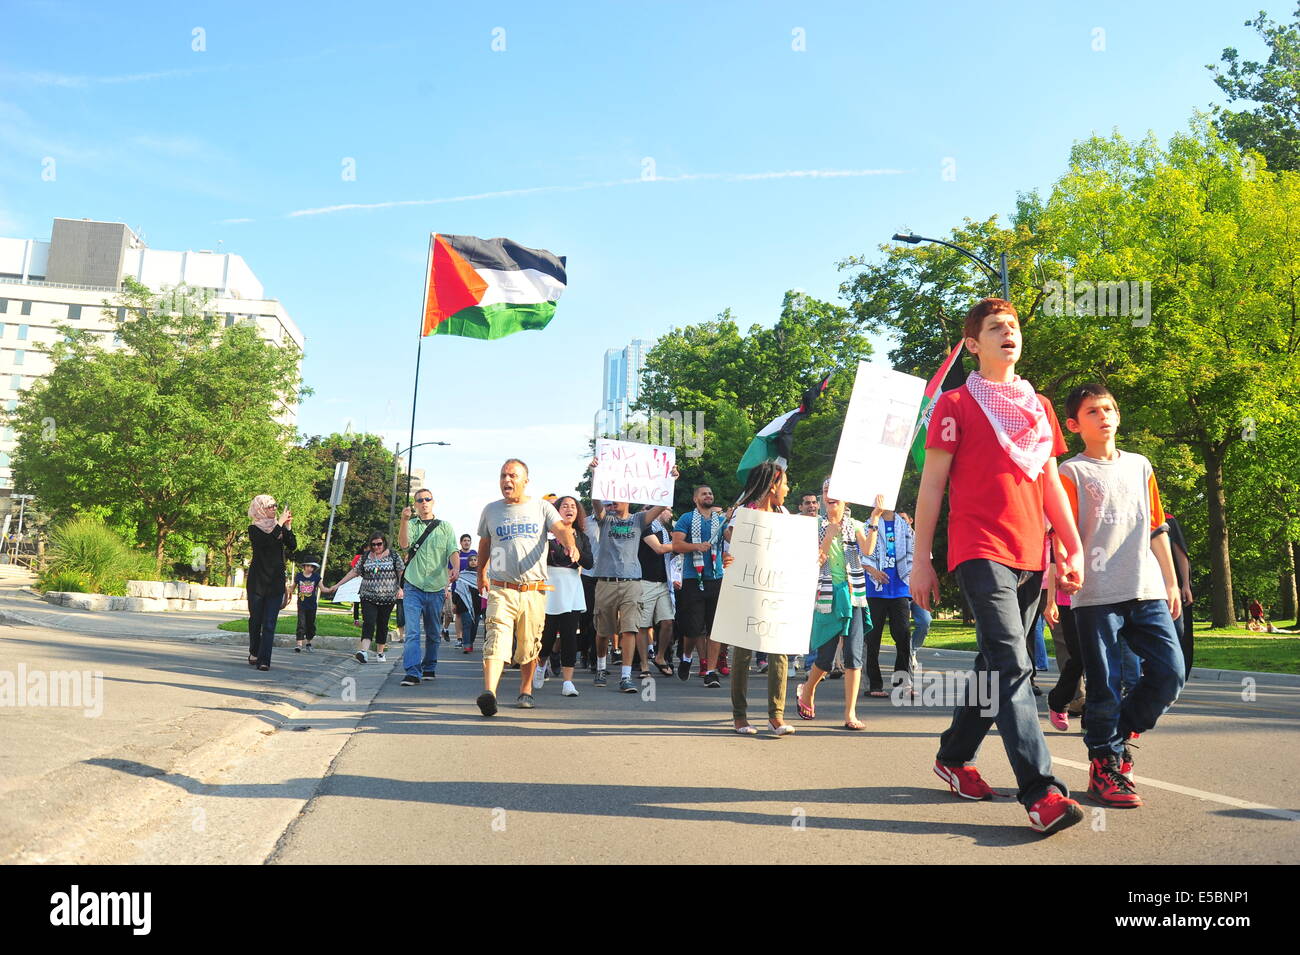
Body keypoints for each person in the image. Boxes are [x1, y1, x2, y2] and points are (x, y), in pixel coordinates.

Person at [910, 297, 1087, 835]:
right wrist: (922, 559)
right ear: (973, 344)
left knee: (995, 666)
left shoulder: (1041, 409)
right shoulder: (956, 405)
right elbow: (932, 487)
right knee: (1015, 666)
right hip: (979, 549)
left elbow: (1051, 482)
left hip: (1033, 553)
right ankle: (1041, 792)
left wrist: (1071, 547)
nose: (1007, 333)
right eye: (995, 327)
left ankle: (955, 755)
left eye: (1012, 327)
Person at [1060, 383, 1186, 808]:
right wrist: (1056, 582)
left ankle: (1114, 738)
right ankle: (1104, 764)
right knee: (1106, 685)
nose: (1104, 416)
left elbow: (1156, 527)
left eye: (1109, 408)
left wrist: (1170, 582)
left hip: (1145, 588)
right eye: (1093, 411)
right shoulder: (1069, 472)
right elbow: (1062, 533)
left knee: (1171, 674)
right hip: (1095, 595)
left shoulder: (1140, 465)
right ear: (1075, 425)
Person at [475, 458, 578, 715]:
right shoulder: (491, 510)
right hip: (502, 588)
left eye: (512, 476)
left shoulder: (542, 507)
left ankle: (526, 689)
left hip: (533, 589)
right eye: (503, 476)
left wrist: (570, 544)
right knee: (496, 637)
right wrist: (481, 573)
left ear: (525, 480)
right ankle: (490, 693)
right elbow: (485, 545)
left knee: (528, 644)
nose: (507, 481)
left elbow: (561, 529)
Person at [721, 460, 798, 736]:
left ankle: (776, 716)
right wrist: (727, 557)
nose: (788, 489)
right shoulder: (743, 514)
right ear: (773, 484)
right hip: (747, 591)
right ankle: (740, 716)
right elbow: (727, 546)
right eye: (785, 483)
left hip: (775, 591)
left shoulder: (785, 515)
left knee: (779, 651)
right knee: (742, 653)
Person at [586, 458, 675, 692]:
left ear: (628, 498)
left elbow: (660, 504)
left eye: (617, 497)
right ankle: (601, 666)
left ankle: (625, 676)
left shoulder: (638, 520)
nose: (613, 501)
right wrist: (596, 474)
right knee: (603, 632)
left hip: (631, 583)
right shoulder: (605, 519)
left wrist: (671, 479)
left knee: (630, 629)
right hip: (605, 581)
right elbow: (595, 502)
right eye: (611, 497)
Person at [796, 484, 880, 730]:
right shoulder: (814, 526)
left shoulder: (854, 525)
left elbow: (868, 549)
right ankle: (808, 689)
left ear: (844, 499)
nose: (829, 495)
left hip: (853, 594)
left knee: (853, 656)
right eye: (825, 491)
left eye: (835, 492)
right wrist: (829, 535)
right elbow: (813, 559)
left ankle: (850, 713)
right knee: (824, 659)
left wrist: (874, 518)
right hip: (826, 594)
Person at [397, 489, 458, 686]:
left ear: (433, 502)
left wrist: (455, 567)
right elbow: (404, 544)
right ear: (415, 505)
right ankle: (413, 672)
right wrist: (404, 521)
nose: (424, 503)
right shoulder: (412, 524)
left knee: (433, 631)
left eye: (427, 499)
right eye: (419, 500)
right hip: (413, 586)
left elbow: (452, 550)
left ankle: (429, 666)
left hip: (436, 587)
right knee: (413, 631)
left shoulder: (445, 527)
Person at [538, 495, 594, 697]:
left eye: (573, 506)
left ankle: (568, 682)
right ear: (556, 510)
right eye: (564, 506)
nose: (569, 509)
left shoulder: (582, 537)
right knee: (547, 634)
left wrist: (577, 552)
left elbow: (589, 563)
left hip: (571, 587)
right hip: (550, 586)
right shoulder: (547, 534)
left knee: (570, 636)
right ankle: (540, 666)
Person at [672, 485, 727, 686]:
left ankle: (711, 672)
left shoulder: (720, 521)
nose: (709, 496)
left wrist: (732, 520)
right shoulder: (686, 519)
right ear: (696, 498)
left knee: (715, 628)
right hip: (692, 579)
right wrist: (697, 546)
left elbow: (733, 539)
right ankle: (686, 657)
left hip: (715, 578)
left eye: (711, 493)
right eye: (704, 493)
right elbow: (677, 546)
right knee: (693, 630)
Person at [323, 532, 405, 666]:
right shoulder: (366, 557)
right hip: (368, 596)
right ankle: (363, 652)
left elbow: (401, 572)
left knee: (382, 624)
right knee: (369, 621)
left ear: (384, 542)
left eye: (379, 544)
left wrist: (400, 588)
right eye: (373, 545)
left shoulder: (394, 555)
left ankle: (380, 652)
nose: (377, 547)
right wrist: (337, 585)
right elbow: (354, 572)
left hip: (388, 597)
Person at [863, 496, 914, 697]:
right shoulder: (868, 524)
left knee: (903, 635)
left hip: (900, 588)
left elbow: (915, 554)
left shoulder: (905, 527)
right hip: (875, 589)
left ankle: (903, 683)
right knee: (872, 638)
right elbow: (859, 553)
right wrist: (872, 570)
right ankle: (874, 685)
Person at [247, 494, 295, 671]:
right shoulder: (254, 529)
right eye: (270, 506)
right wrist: (279, 524)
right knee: (255, 620)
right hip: (257, 581)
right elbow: (264, 544)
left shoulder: (279, 527)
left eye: (276, 506)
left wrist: (287, 527)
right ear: (260, 509)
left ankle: (264, 660)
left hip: (275, 581)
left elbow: (293, 546)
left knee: (269, 623)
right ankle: (254, 650)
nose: (275, 509)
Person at [640, 509, 678, 678]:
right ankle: (643, 665)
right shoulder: (645, 527)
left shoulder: (665, 530)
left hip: (664, 583)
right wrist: (683, 544)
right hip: (645, 581)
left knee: (668, 622)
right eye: (668, 510)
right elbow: (659, 548)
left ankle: (660, 656)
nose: (670, 514)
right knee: (643, 625)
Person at [1163, 513, 1194, 676]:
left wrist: (1185, 584)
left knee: (1177, 632)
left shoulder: (1167, 520)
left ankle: (1175, 674)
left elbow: (1180, 553)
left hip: (1170, 588)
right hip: (1143, 588)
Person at [290, 558, 321, 652]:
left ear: (314, 568)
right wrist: (285, 590)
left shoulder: (316, 577)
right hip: (301, 605)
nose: (309, 568)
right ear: (304, 566)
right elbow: (291, 588)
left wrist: (332, 588)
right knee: (301, 624)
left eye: (312, 566)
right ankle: (299, 644)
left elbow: (323, 588)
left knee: (310, 624)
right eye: (307, 565)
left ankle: (308, 643)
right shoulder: (299, 576)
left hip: (312, 605)